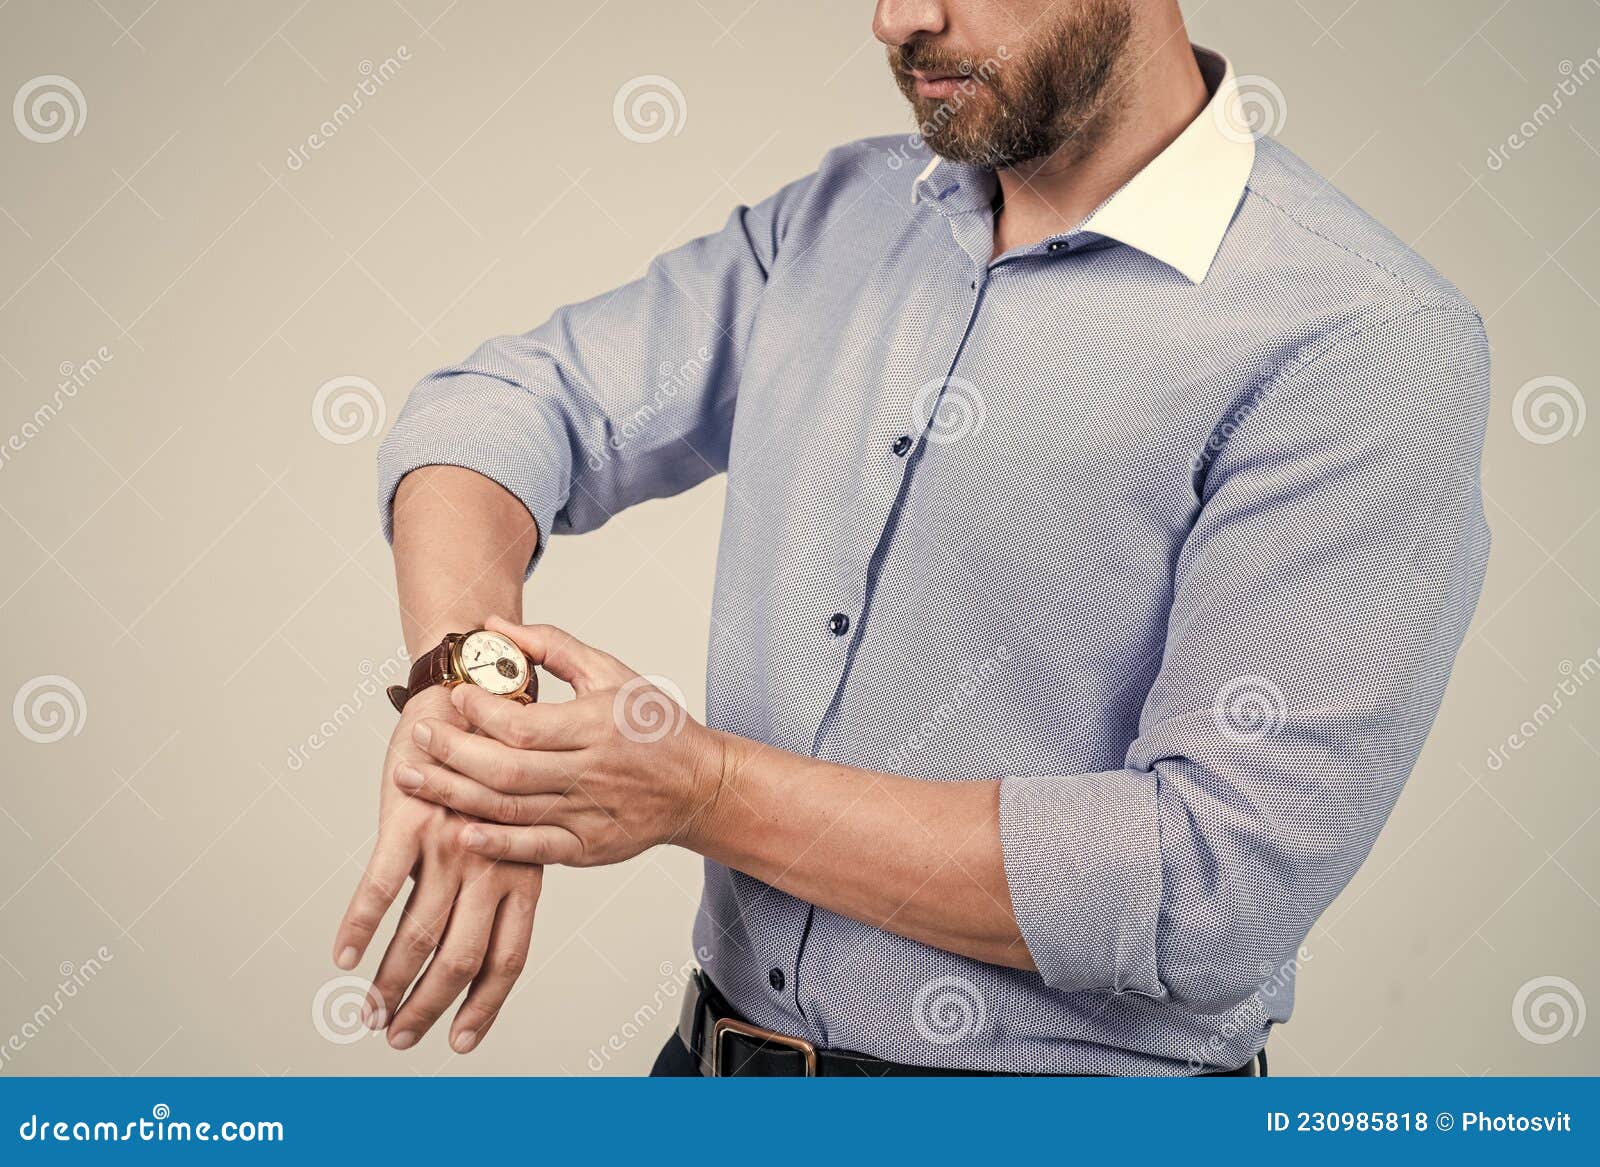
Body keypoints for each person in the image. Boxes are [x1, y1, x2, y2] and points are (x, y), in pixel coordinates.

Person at [332, 0, 1491, 1076]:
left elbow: (1208, 885)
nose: (897, 17)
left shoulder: (1356, 335)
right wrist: (465, 698)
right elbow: (507, 409)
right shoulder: (843, 216)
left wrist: (704, 793)